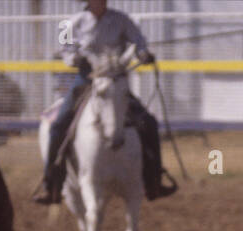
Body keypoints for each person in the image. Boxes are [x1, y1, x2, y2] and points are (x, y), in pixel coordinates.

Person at [32, 0, 176, 205]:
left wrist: (143, 54)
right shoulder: (70, 23)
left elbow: (139, 41)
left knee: (149, 123)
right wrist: (74, 58)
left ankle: (154, 181)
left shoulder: (121, 20)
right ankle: (52, 185)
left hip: (114, 81)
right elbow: (64, 50)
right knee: (58, 126)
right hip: (86, 80)